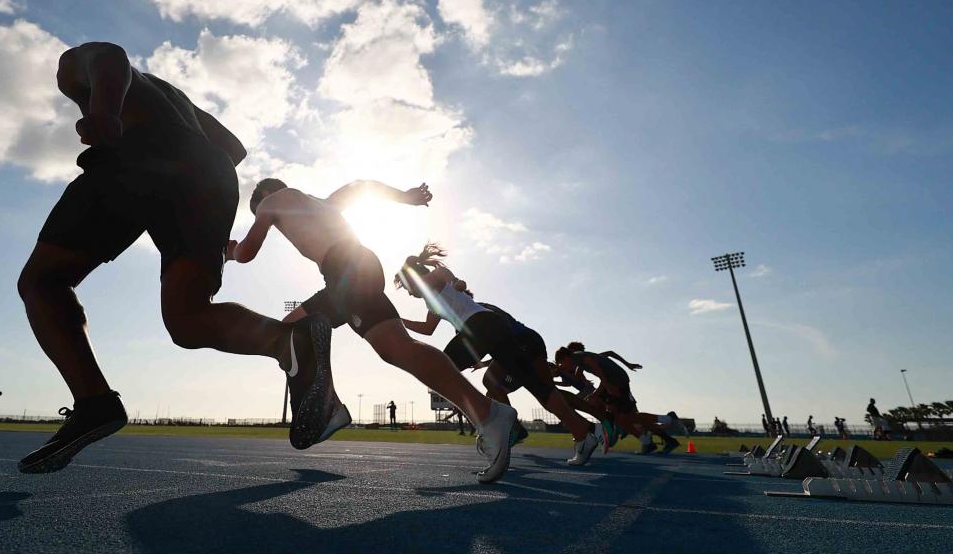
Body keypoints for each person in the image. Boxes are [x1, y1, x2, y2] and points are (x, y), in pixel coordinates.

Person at [15, 42, 337, 473]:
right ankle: (287, 341)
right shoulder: (174, 98)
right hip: (211, 175)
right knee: (187, 320)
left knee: (44, 281)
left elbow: (109, 55)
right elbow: (235, 148)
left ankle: (94, 402)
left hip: (138, 159)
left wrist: (106, 115)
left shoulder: (72, 66)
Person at [230, 179, 517, 482]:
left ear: (263, 196)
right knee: (396, 348)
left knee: (287, 332)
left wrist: (230, 252)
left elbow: (247, 251)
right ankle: (490, 414)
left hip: (343, 269)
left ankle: (329, 407)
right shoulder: (321, 202)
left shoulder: (270, 200)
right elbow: (361, 187)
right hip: (362, 263)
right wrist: (405, 197)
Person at [395, 244, 605, 467]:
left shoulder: (433, 279)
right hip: (492, 328)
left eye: (407, 287)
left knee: (437, 371)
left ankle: (492, 422)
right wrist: (397, 321)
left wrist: (456, 282)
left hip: (479, 326)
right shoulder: (431, 301)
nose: (409, 293)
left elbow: (449, 277)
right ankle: (583, 433)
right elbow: (427, 329)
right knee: (536, 385)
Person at [553, 342, 687, 455]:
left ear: (569, 355)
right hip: (615, 383)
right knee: (626, 419)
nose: (563, 366)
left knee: (632, 418)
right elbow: (577, 378)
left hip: (617, 384)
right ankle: (648, 440)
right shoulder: (580, 364)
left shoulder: (583, 358)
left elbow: (601, 371)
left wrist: (605, 387)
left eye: (562, 363)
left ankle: (667, 422)